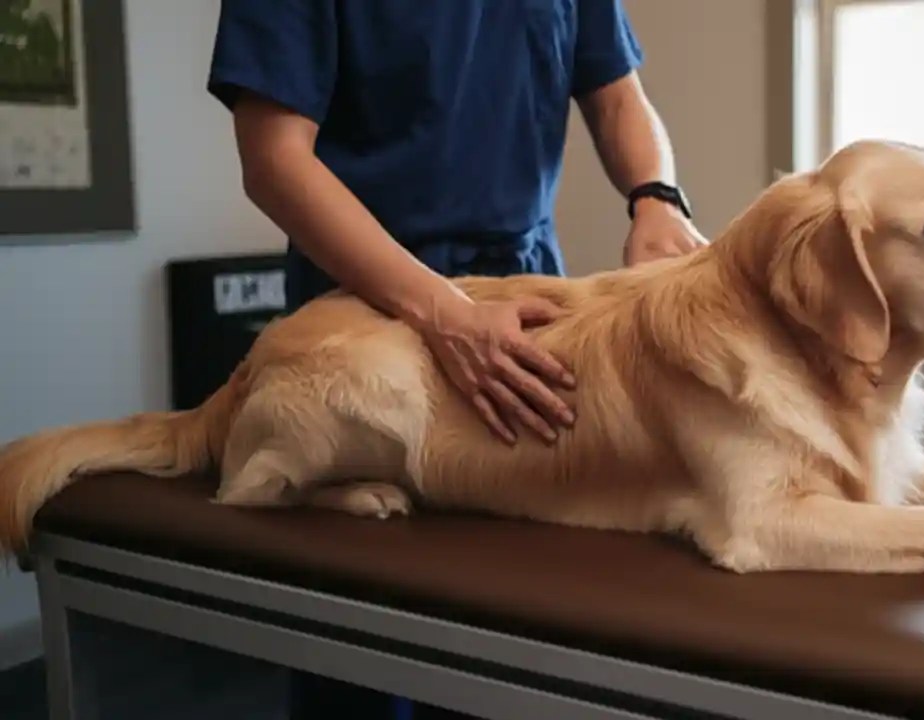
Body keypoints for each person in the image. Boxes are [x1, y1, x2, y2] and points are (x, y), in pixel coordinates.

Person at [206, 1, 704, 718]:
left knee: (511, 631)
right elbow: (274, 159)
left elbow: (619, 94)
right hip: (366, 312)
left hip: (520, 304)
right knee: (361, 649)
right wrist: (440, 312)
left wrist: (657, 197)